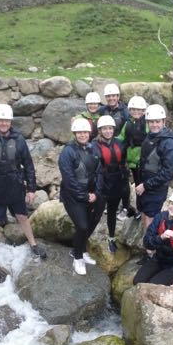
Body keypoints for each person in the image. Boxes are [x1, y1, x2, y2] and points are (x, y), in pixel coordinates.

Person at [0, 104, 46, 269]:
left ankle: (33, 244)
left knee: (22, 216)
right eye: (0, 120)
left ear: (10, 121)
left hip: (14, 185)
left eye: (6, 120)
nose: (3, 123)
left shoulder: (19, 140)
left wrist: (31, 189)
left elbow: (28, 165)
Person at [59, 117, 105, 275]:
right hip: (72, 196)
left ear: (89, 133)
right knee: (82, 226)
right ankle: (77, 257)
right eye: (79, 132)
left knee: (93, 220)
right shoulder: (68, 152)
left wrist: (96, 193)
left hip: (91, 193)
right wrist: (85, 196)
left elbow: (99, 172)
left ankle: (81, 249)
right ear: (74, 133)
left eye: (85, 132)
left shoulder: (94, 149)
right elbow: (69, 179)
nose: (83, 135)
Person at [133, 189, 173, 295]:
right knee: (137, 282)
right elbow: (147, 242)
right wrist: (161, 237)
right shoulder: (161, 217)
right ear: (169, 203)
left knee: (151, 287)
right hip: (159, 258)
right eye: (172, 204)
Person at [135, 104, 173, 232]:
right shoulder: (149, 137)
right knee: (143, 214)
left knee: (150, 219)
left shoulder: (169, 144)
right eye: (151, 122)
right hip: (144, 186)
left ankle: (151, 251)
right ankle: (147, 245)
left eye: (157, 121)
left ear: (164, 122)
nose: (154, 125)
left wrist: (145, 185)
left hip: (155, 189)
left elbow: (167, 173)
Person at [92, 115, 128, 253]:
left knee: (112, 211)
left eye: (110, 128)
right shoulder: (94, 146)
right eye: (105, 129)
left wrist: (124, 179)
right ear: (100, 130)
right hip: (102, 183)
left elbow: (123, 161)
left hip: (117, 181)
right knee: (96, 212)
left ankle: (111, 238)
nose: (108, 131)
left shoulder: (119, 143)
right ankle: (84, 236)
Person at [117, 94, 148, 220]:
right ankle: (139, 208)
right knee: (137, 185)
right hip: (132, 162)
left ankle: (143, 209)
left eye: (139, 110)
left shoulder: (147, 123)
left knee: (143, 186)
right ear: (130, 110)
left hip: (144, 161)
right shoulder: (128, 124)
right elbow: (121, 138)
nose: (136, 112)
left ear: (143, 111)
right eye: (133, 110)